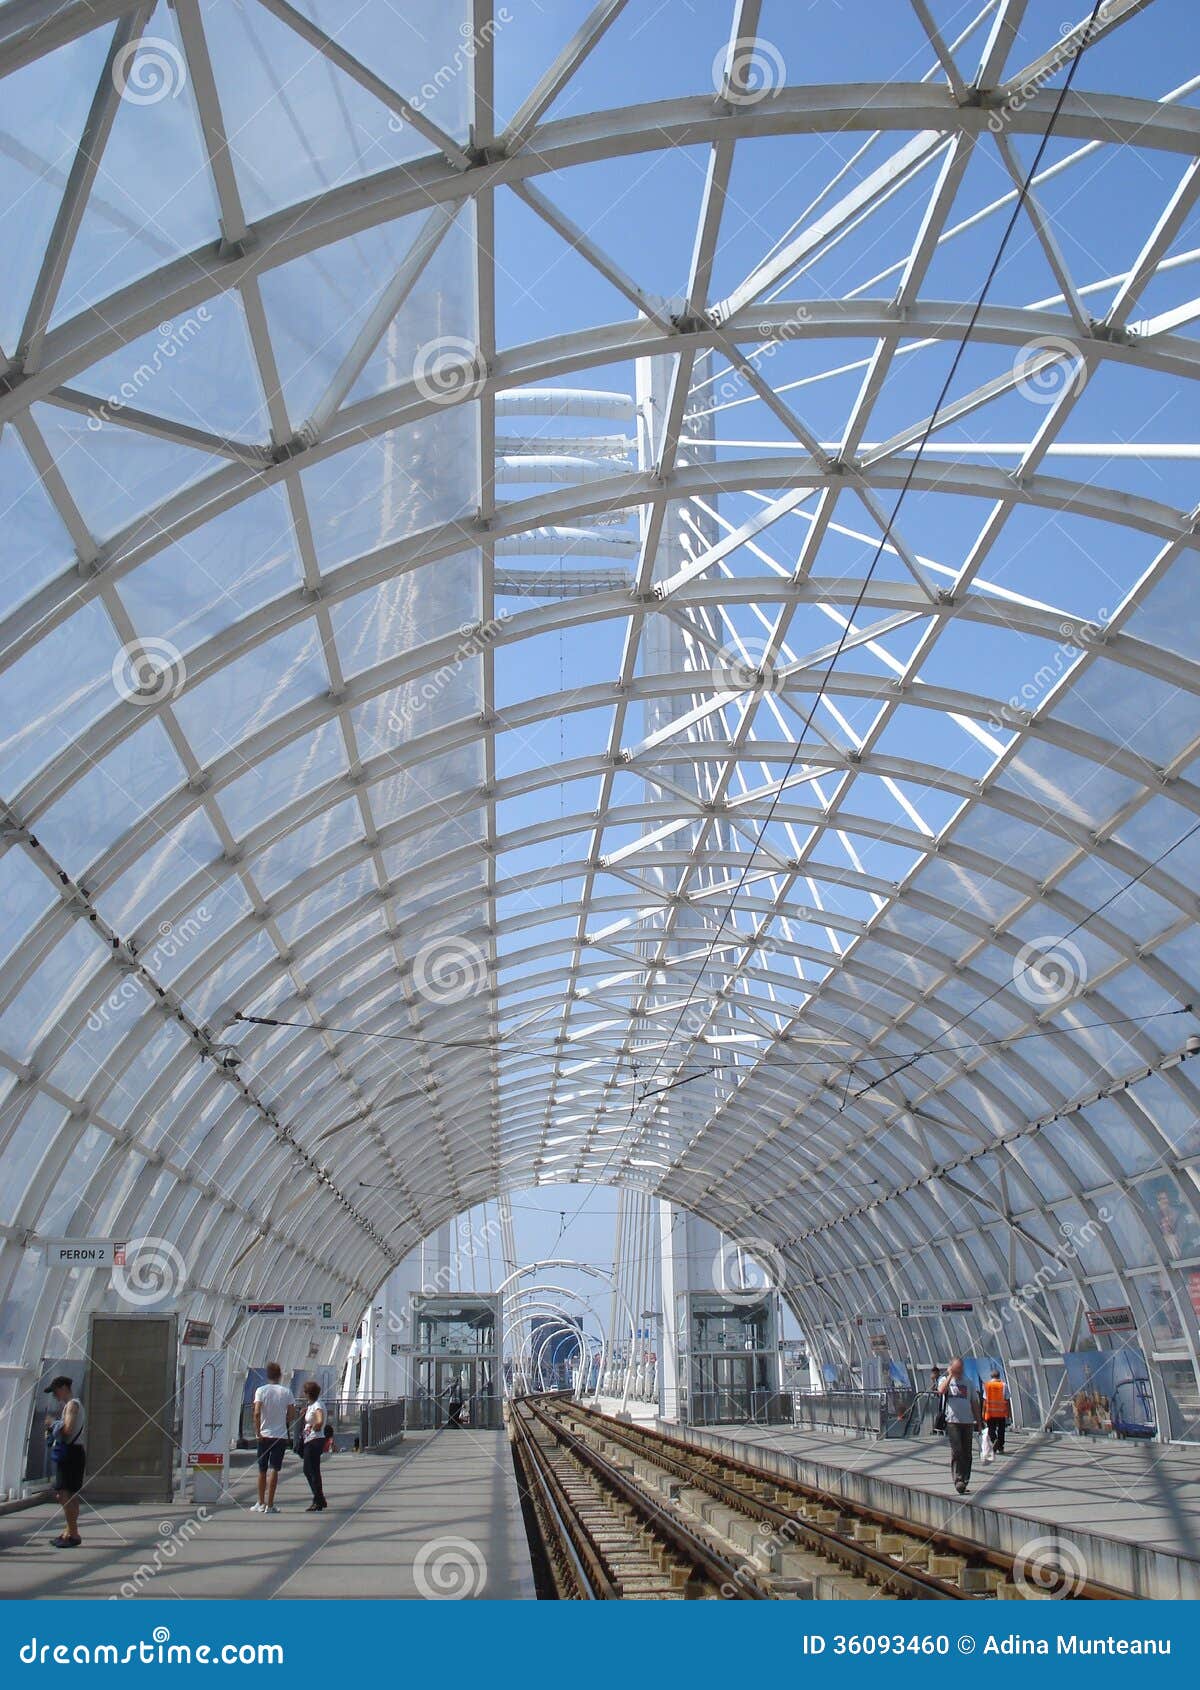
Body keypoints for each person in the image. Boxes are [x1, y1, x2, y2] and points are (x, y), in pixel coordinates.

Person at [44, 1377, 85, 1548]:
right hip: (75, 1453)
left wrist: (53, 1424)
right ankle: (69, 1531)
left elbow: (67, 1430)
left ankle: (73, 1533)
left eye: (55, 1391)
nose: (54, 1395)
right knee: (69, 1494)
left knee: (63, 1494)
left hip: (70, 1454)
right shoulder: (73, 1405)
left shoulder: (72, 1406)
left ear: (63, 1387)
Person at [252, 1362, 295, 1514]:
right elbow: (291, 1414)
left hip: (264, 1435)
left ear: (267, 1375)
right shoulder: (286, 1392)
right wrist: (284, 1423)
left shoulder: (260, 1391)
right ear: (280, 1375)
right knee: (275, 1469)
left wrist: (258, 1432)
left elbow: (257, 1412)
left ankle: (260, 1502)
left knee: (262, 1470)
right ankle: (270, 1505)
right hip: (280, 1436)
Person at [937, 1358, 982, 1495]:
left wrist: (979, 1422)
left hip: (967, 1421)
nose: (959, 1372)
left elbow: (974, 1402)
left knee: (967, 1452)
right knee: (957, 1451)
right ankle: (958, 1479)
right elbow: (941, 1391)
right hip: (952, 1421)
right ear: (951, 1368)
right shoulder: (945, 1380)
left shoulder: (968, 1382)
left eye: (960, 1369)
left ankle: (965, 1479)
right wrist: (950, 1375)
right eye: (956, 1369)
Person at [298, 1381, 327, 1512]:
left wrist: (317, 1425)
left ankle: (318, 1499)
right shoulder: (312, 1405)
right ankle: (319, 1498)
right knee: (310, 1470)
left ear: (308, 1393)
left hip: (314, 1440)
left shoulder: (317, 1405)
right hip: (310, 1440)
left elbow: (319, 1419)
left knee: (311, 1470)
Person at [982, 1369, 1011, 1454]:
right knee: (1001, 1430)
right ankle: (1000, 1447)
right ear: (999, 1376)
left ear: (991, 1377)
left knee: (991, 1429)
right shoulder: (1004, 1385)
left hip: (990, 1412)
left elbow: (985, 1400)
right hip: (1001, 1412)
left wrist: (983, 1412)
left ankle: (995, 1440)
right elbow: (1007, 1400)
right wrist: (1008, 1413)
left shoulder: (987, 1385)